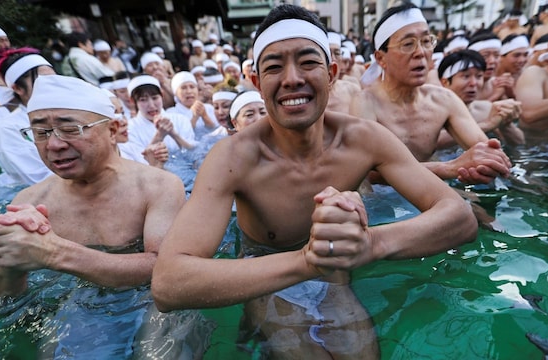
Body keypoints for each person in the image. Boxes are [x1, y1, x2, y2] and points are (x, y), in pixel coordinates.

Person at [151, 4, 477, 359]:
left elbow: (459, 216)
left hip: (333, 272)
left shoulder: (364, 139)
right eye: (274, 66)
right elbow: (169, 283)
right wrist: (306, 261)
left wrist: (371, 244)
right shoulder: (233, 158)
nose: (292, 78)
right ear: (258, 83)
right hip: (267, 266)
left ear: (332, 73)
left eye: (308, 62)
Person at [0, 75, 210, 358]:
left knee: (160, 349)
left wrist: (55, 253)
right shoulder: (30, 202)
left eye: (70, 129)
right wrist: (8, 262)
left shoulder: (157, 186)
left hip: (153, 297)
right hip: (78, 301)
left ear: (113, 130)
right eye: (40, 133)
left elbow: (170, 270)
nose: (53, 145)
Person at [353, 3, 512, 184]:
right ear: (381, 58)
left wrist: (489, 161)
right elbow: (364, 173)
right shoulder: (365, 103)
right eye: (408, 44)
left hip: (429, 188)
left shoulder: (443, 100)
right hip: (385, 198)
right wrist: (449, 167)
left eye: (426, 42)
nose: (420, 52)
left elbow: (484, 149)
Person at [0, 48, 55, 187]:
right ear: (17, 88)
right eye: (44, 81)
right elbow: (38, 181)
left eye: (55, 79)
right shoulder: (6, 130)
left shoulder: (69, 113)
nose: (54, 86)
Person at [437, 49, 525, 147]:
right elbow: (433, 142)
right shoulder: (434, 111)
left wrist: (505, 125)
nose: (474, 83)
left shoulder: (486, 109)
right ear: (445, 82)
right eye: (466, 76)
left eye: (479, 76)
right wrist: (488, 124)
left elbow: (520, 144)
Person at [126, 74, 196, 153]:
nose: (151, 105)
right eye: (143, 100)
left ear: (162, 95)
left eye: (155, 98)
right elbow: (137, 161)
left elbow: (194, 153)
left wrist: (173, 133)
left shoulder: (180, 119)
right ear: (132, 101)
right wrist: (159, 136)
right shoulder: (130, 128)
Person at [166, 71, 227, 140]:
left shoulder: (208, 108)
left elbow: (217, 131)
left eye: (192, 87)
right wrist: (194, 118)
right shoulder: (171, 113)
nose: (189, 91)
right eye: (183, 88)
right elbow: (180, 139)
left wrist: (204, 116)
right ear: (175, 93)